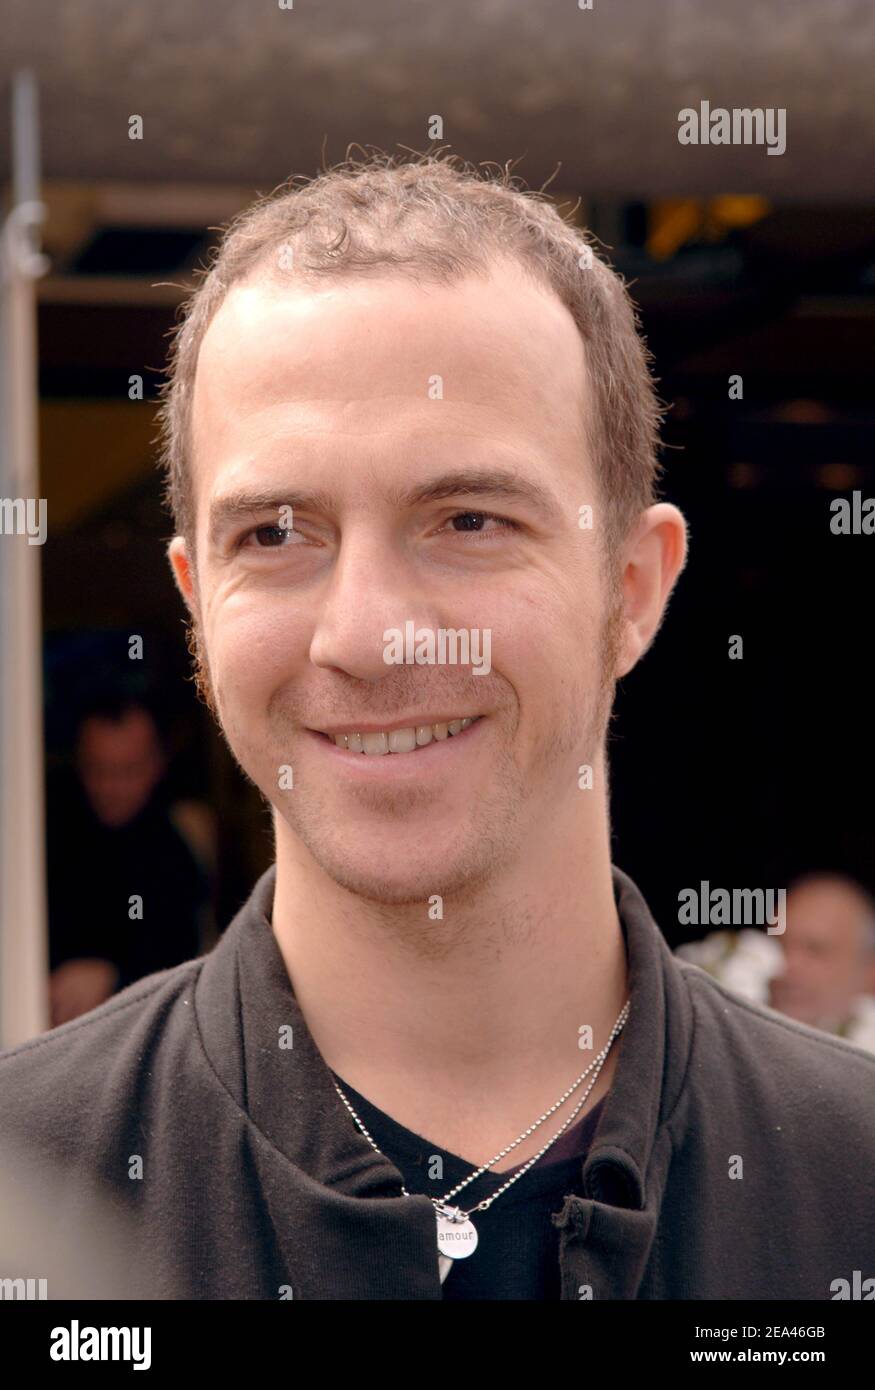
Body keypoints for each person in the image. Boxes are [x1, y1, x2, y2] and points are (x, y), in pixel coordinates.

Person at [1, 150, 873, 1300]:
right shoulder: (29, 1202)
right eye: (273, 533)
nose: (366, 636)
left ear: (631, 586)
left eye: (466, 518)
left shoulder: (848, 1186)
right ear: (196, 607)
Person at [47, 697, 213, 1024]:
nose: (112, 787)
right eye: (99, 769)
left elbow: (183, 956)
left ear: (157, 765)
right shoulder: (46, 831)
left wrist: (115, 974)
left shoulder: (173, 848)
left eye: (128, 770)